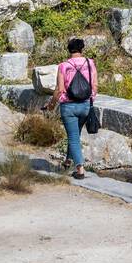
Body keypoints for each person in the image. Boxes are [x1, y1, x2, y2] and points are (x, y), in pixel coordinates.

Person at [47, 37, 97, 180]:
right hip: (85, 106)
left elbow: (60, 89)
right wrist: (89, 99)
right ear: (82, 49)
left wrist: (50, 105)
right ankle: (68, 161)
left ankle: (80, 169)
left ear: (69, 50)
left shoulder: (63, 66)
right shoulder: (90, 63)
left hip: (68, 107)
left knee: (73, 138)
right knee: (75, 135)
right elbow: (95, 86)